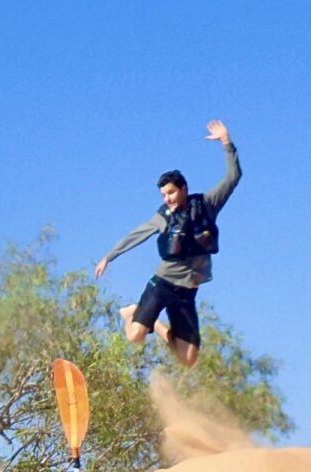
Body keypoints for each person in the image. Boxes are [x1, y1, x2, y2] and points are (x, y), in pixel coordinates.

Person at [94, 119, 242, 367]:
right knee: (135, 336)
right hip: (162, 284)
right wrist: (109, 256)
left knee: (187, 360)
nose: (168, 198)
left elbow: (233, 176)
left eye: (171, 193)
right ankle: (132, 312)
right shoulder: (163, 217)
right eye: (164, 195)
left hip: (187, 293)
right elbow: (137, 234)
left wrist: (226, 142)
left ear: (184, 188)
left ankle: (158, 325)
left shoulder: (207, 204)